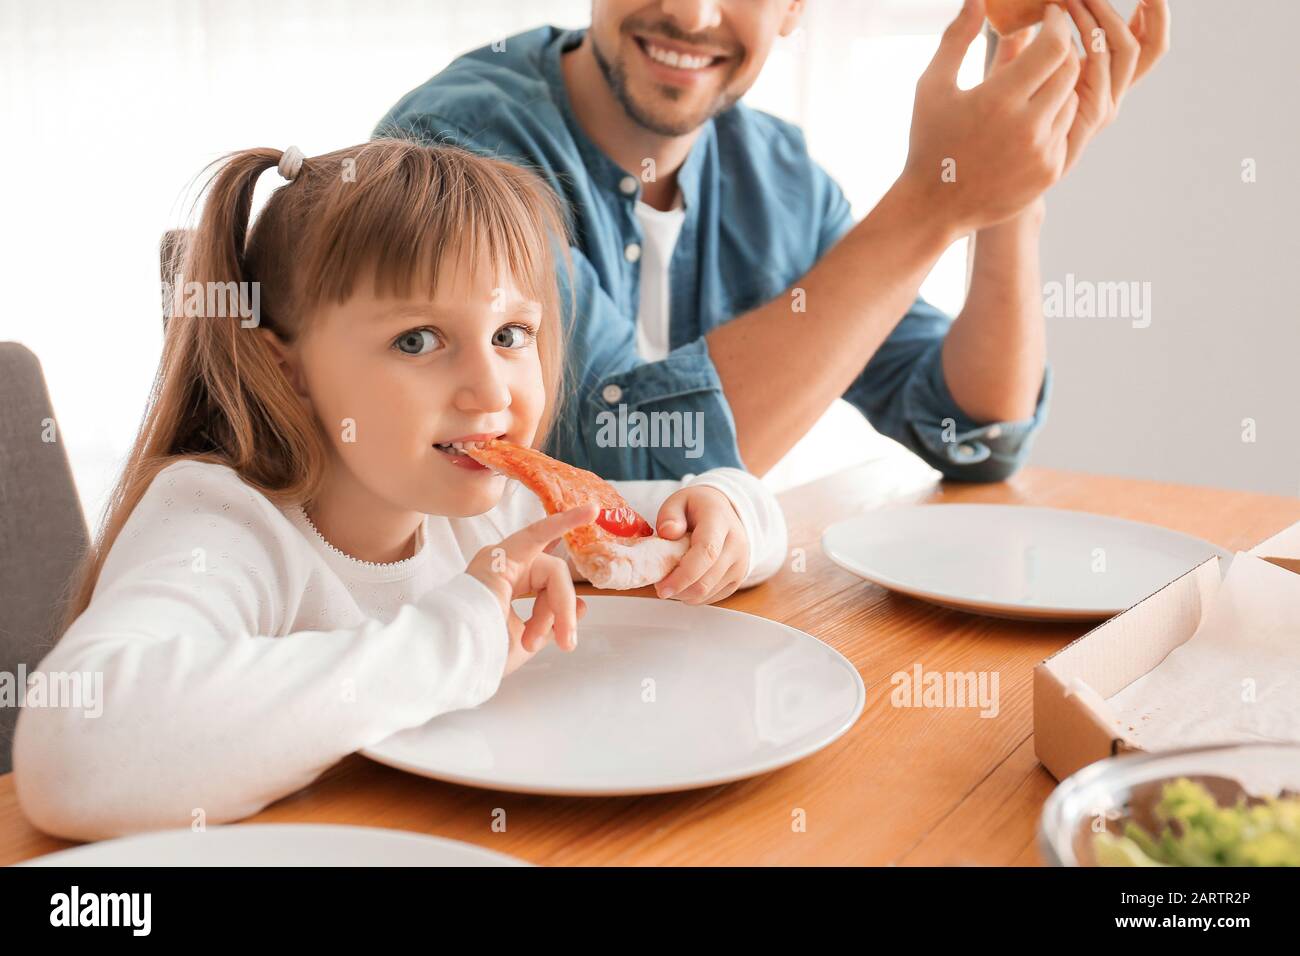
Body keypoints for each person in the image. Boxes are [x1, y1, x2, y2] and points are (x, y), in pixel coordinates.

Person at [13, 139, 786, 841]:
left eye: (510, 335)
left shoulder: (500, 507)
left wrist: (726, 517)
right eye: (418, 340)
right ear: (289, 370)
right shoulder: (221, 522)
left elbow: (700, 521)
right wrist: (464, 635)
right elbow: (72, 754)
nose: (491, 390)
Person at [375, 0, 1170, 481]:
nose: (691, 15)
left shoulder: (779, 176)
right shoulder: (452, 152)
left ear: (795, 8)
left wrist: (1006, 199)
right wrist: (931, 203)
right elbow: (625, 461)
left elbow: (969, 434)